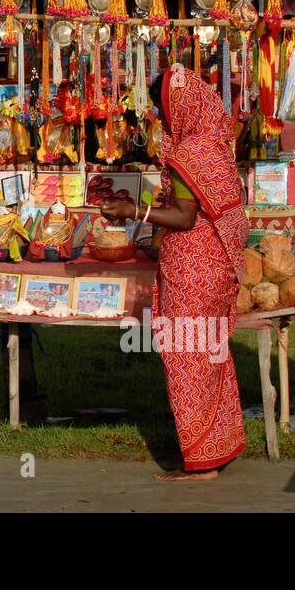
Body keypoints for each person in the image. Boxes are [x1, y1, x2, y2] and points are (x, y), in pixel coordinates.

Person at [100, 64, 250, 481]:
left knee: (187, 361)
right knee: (212, 356)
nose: (163, 121)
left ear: (178, 108)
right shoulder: (215, 146)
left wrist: (134, 210)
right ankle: (216, 448)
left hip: (192, 269)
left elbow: (184, 217)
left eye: (164, 112)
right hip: (217, 266)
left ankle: (201, 463)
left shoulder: (189, 153)